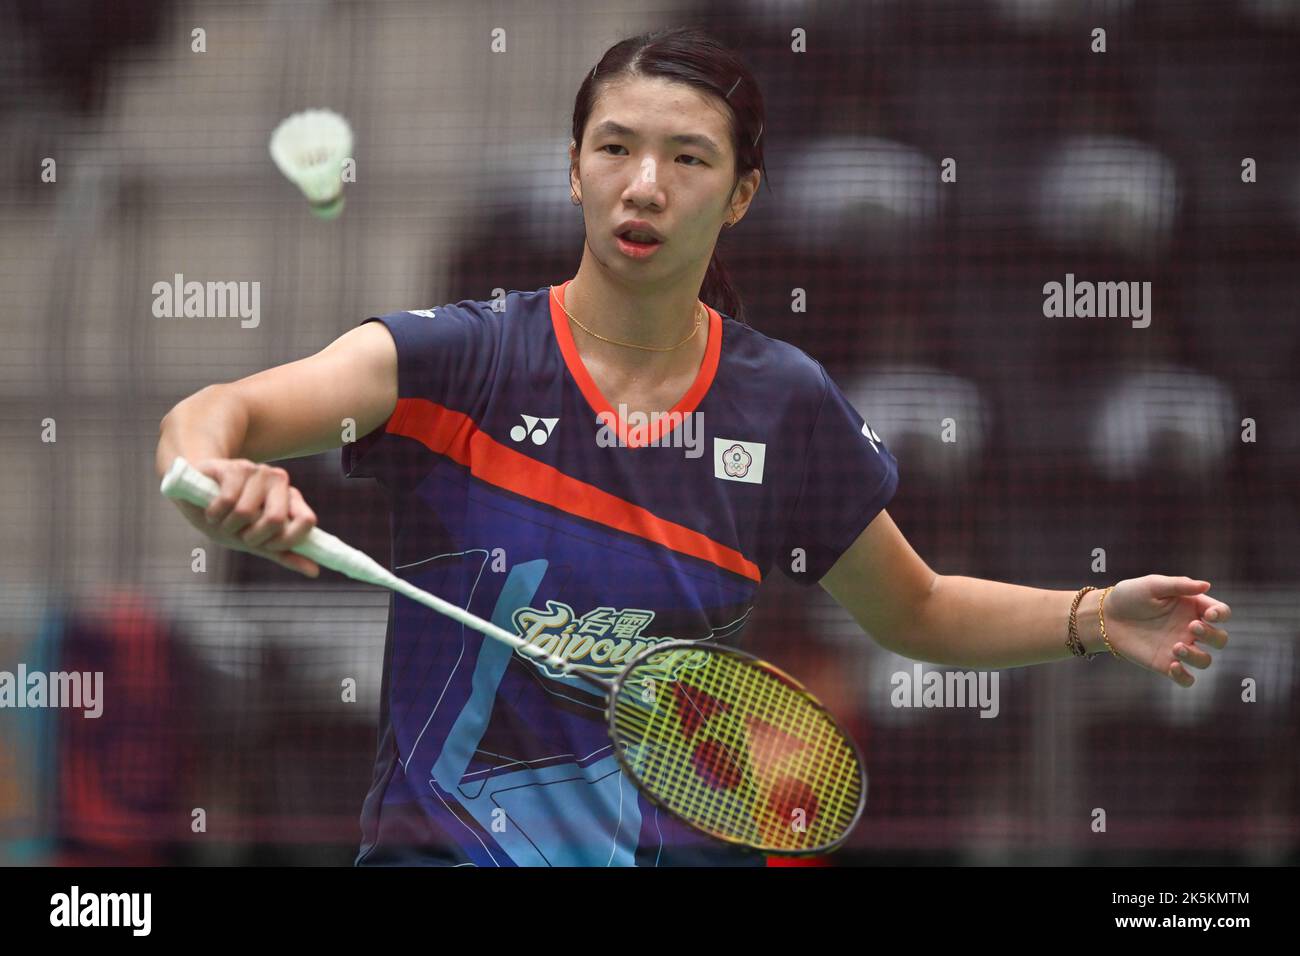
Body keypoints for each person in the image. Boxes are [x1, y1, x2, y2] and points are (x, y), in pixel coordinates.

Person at [156, 26, 1230, 867]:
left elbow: (919, 608)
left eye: (688, 158)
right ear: (574, 170)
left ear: (741, 195)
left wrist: (1095, 615)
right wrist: (222, 478)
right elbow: (213, 413)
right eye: (615, 148)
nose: (645, 185)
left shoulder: (781, 401)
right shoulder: (462, 361)